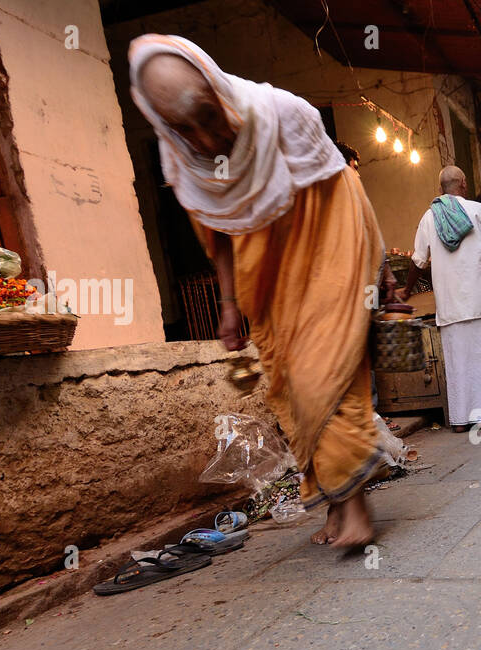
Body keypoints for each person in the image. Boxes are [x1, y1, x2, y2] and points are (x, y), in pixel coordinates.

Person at [129, 35, 384, 549]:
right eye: (183, 128)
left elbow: (343, 200)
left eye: (207, 115)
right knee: (291, 389)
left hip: (326, 260)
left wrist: (368, 276)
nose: (204, 139)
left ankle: (356, 508)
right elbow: (217, 234)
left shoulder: (285, 115)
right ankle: (335, 501)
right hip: (266, 288)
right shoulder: (180, 160)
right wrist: (228, 306)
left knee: (322, 378)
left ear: (218, 88)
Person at [401, 166, 481, 434]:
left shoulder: (428, 218)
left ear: (440, 189)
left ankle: (462, 420)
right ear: (463, 184)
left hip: (451, 303)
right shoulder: (480, 211)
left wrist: (406, 290)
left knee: (458, 363)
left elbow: (418, 260)